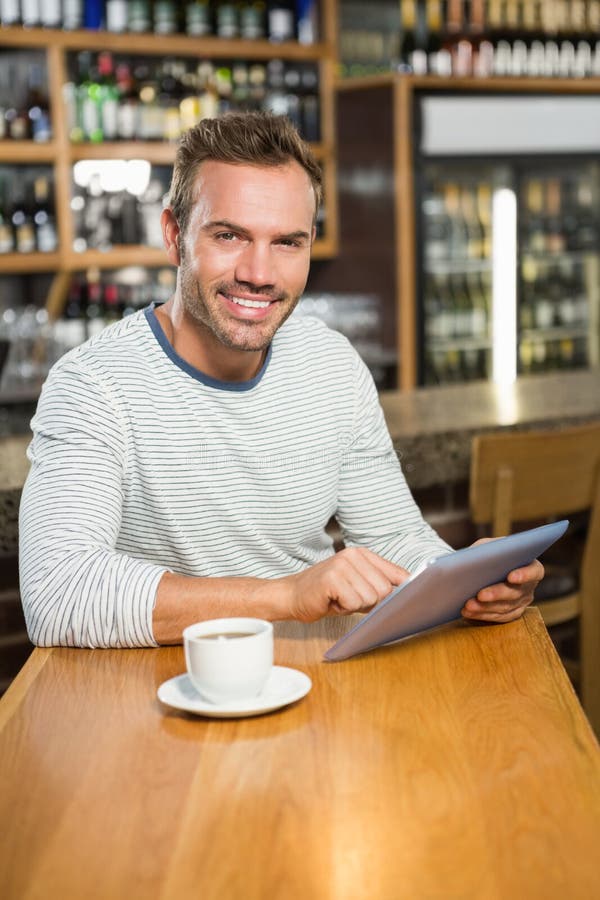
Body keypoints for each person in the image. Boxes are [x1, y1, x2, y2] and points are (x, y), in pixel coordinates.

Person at [19, 112, 543, 648]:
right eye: (229, 235)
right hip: (158, 695)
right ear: (175, 236)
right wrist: (287, 596)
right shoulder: (92, 385)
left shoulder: (332, 364)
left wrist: (468, 581)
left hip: (314, 679)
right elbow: (59, 593)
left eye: (288, 243)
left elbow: (393, 538)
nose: (260, 273)